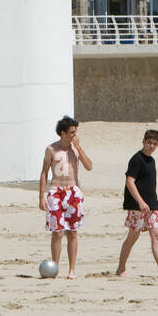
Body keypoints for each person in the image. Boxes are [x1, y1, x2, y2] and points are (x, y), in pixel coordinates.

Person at [117, 129, 158, 278]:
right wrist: (140, 201)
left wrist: (150, 203)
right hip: (137, 204)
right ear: (143, 141)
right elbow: (130, 181)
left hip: (152, 204)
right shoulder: (136, 159)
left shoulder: (152, 160)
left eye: (154, 144)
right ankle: (121, 268)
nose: (151, 146)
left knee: (157, 234)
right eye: (149, 142)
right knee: (133, 236)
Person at [38, 116, 94, 279]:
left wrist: (79, 148)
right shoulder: (51, 149)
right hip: (56, 190)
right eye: (71, 132)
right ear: (62, 133)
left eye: (75, 132)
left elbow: (89, 166)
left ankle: (72, 270)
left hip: (73, 191)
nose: (74, 135)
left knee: (73, 232)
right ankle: (54, 268)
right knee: (57, 232)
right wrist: (41, 196)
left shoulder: (76, 149)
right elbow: (44, 172)